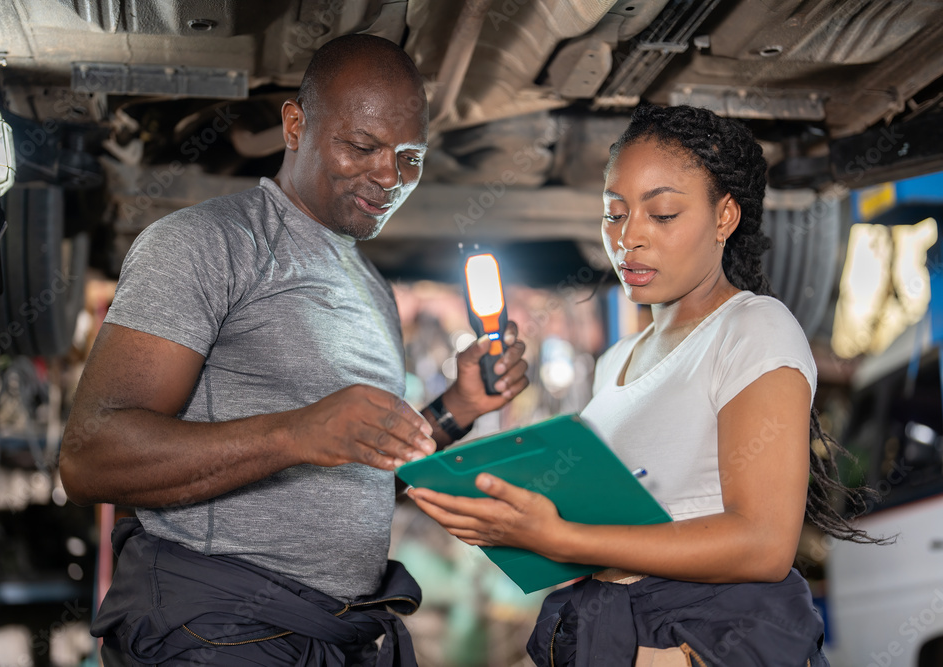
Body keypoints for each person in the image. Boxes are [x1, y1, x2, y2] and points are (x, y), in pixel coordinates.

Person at [59, 34, 528, 666]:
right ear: (295, 125)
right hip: (220, 633)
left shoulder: (374, 292)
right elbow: (90, 459)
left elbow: (353, 479)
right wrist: (293, 434)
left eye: (410, 158)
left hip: (340, 634)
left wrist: (458, 408)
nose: (389, 176)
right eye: (362, 146)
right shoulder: (206, 245)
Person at [408, 104, 882, 666]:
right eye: (614, 214)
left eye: (661, 214)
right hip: (612, 628)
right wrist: (511, 522)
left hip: (704, 638)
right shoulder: (616, 361)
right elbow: (613, 522)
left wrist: (564, 539)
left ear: (725, 216)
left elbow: (763, 545)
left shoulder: (753, 327)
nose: (629, 237)